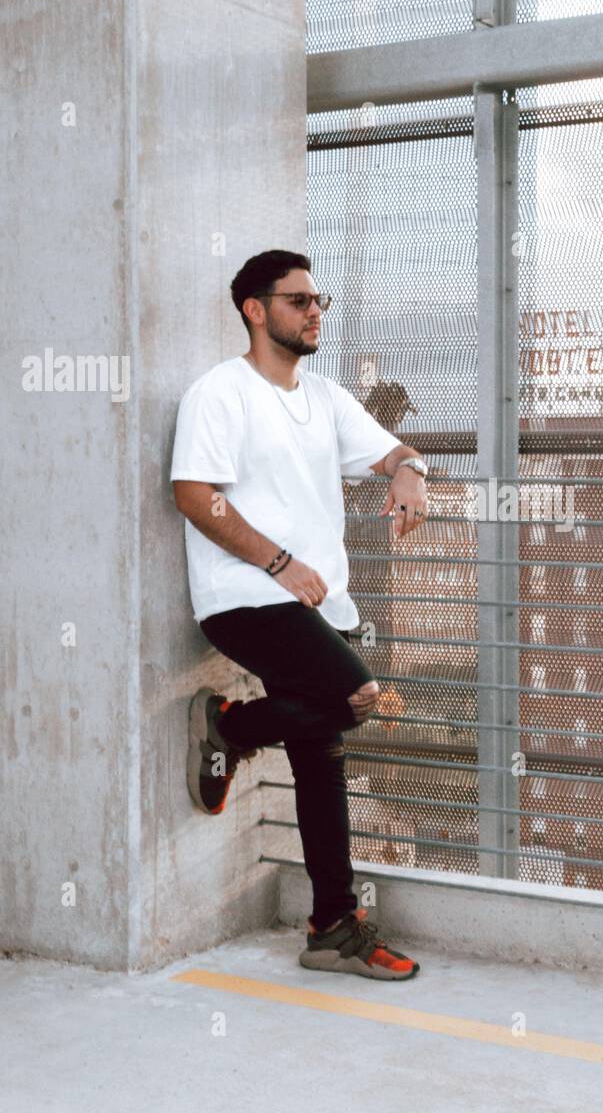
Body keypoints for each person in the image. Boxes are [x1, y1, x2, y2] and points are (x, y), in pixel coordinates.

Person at [170, 249, 430, 981]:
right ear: (255, 309)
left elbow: (392, 452)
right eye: (297, 300)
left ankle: (330, 928)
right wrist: (278, 562)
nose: (315, 311)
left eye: (320, 300)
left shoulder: (324, 397)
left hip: (322, 605)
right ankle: (233, 726)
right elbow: (195, 495)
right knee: (353, 696)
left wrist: (409, 473)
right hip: (245, 596)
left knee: (321, 755)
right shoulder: (219, 393)